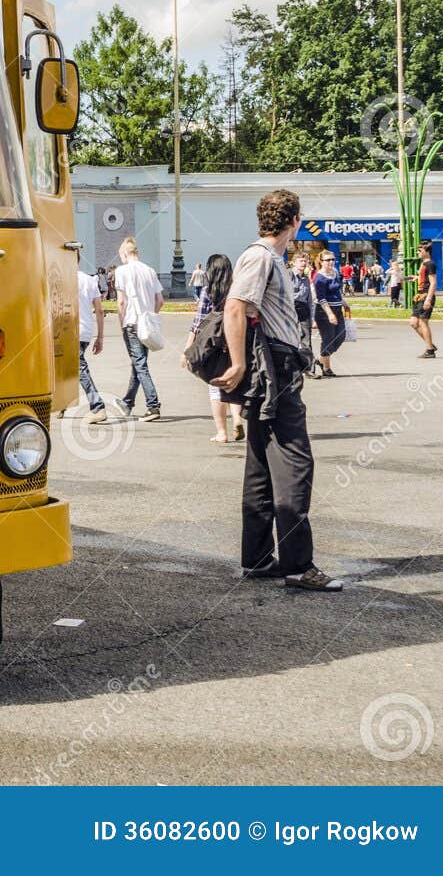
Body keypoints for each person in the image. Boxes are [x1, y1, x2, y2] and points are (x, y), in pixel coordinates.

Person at [212, 189, 341, 592]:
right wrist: (238, 363)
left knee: (262, 466)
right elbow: (236, 306)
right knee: (295, 465)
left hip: (277, 366)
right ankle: (299, 566)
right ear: (294, 222)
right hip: (276, 372)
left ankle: (258, 558)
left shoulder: (271, 259)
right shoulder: (261, 256)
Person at [181, 254, 244, 444]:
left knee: (215, 387)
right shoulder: (236, 288)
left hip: (214, 343)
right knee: (233, 382)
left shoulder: (208, 290)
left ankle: (222, 433)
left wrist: (187, 349)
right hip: (235, 341)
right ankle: (238, 419)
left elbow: (198, 322)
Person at [111, 237, 164, 421]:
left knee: (139, 364)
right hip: (146, 324)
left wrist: (122, 323)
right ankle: (127, 403)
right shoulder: (150, 271)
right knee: (138, 363)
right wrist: (150, 315)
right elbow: (160, 301)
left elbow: (121, 301)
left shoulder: (122, 271)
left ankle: (153, 405)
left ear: (125, 254)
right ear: (137, 253)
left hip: (132, 323)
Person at [76, 266, 108, 423]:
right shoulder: (90, 280)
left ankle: (97, 406)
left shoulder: (62, 279)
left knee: (79, 368)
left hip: (70, 331)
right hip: (86, 332)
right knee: (66, 368)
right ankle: (61, 406)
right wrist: (100, 337)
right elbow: (99, 310)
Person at [310, 251, 346, 378]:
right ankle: (326, 368)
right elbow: (321, 298)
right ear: (321, 262)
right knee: (328, 339)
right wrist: (330, 314)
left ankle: (321, 359)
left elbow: (337, 291)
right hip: (324, 312)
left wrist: (344, 302)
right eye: (327, 260)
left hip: (338, 309)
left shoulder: (335, 272)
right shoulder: (319, 278)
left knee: (341, 335)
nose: (331, 262)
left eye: (332, 259)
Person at [289, 252, 316, 378]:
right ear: (294, 262)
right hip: (290, 308)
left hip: (303, 308)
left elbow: (309, 299)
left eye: (305, 261)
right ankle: (290, 369)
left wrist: (312, 317)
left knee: (306, 339)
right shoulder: (288, 275)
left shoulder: (306, 279)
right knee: (289, 338)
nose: (304, 263)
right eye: (301, 261)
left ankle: (308, 368)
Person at [410, 240, 436, 358]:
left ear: (427, 251)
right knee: (413, 323)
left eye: (420, 251)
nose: (417, 252)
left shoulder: (429, 263)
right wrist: (417, 277)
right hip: (419, 296)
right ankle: (429, 343)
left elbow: (433, 283)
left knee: (423, 322)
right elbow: (425, 278)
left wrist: (428, 299)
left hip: (426, 296)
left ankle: (430, 350)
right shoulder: (424, 264)